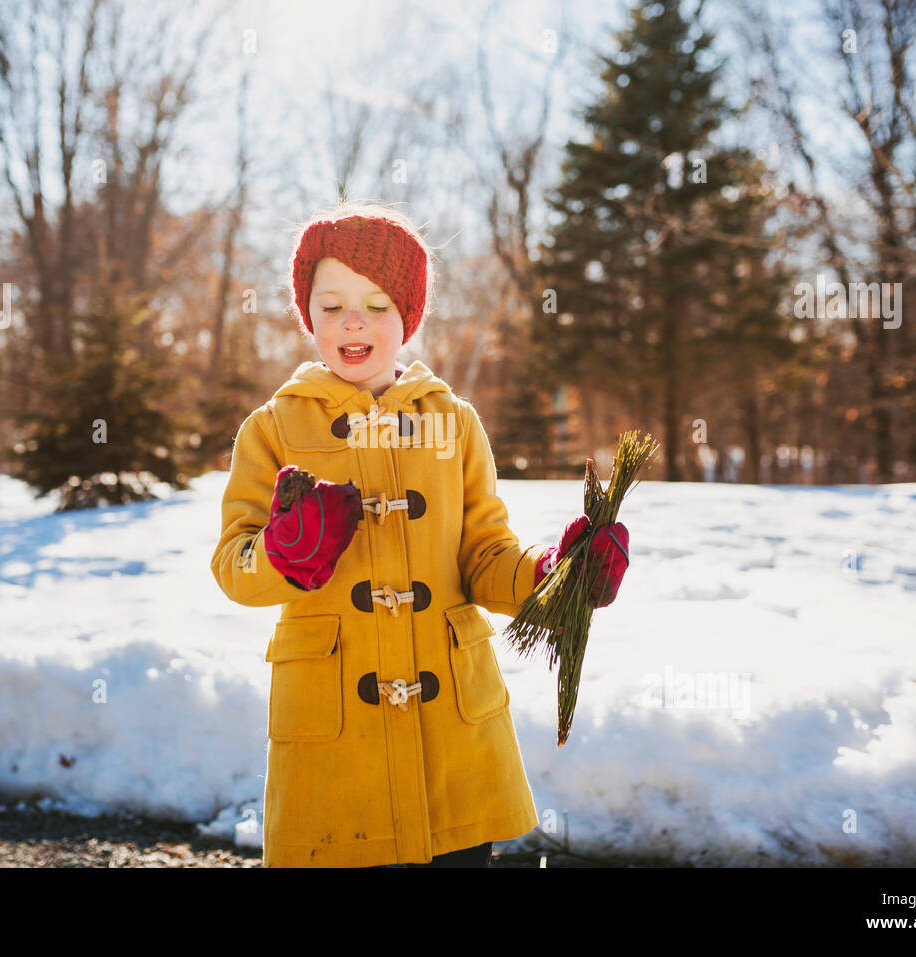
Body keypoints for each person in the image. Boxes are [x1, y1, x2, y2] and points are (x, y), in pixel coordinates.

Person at [210, 200, 631, 868]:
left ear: (407, 315)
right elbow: (234, 563)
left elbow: (486, 555)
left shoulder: (454, 424)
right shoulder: (271, 429)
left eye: (378, 304)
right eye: (333, 304)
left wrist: (557, 574)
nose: (355, 320)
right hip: (335, 752)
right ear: (307, 314)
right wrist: (284, 555)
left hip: (451, 743)